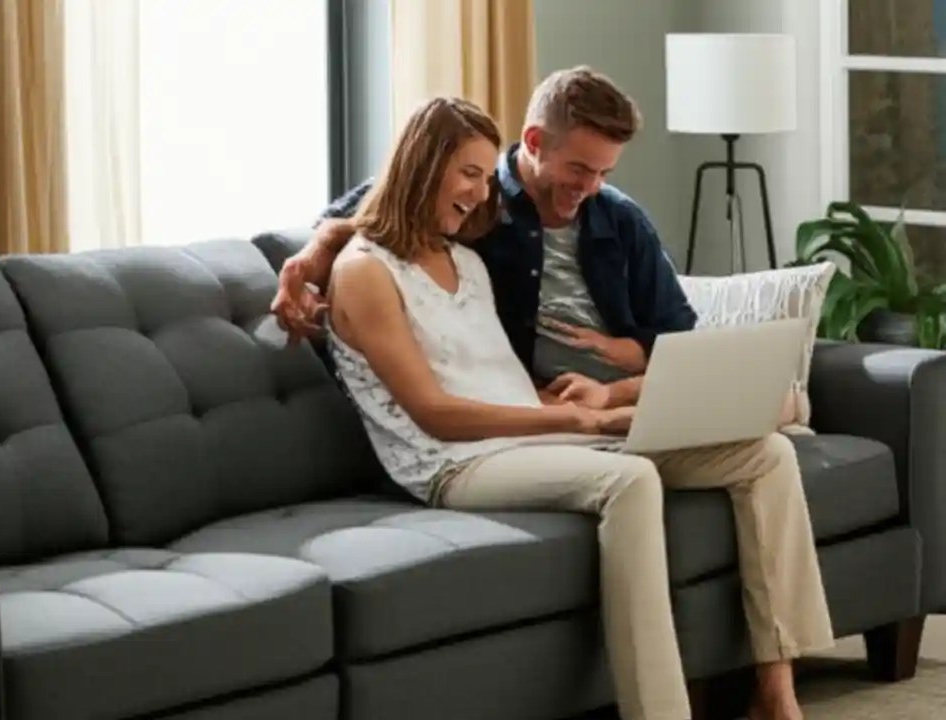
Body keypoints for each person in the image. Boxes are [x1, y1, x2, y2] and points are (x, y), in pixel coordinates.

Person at [320, 94, 832, 720]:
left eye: (486, 177)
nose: (483, 196)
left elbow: (497, 379)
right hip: (453, 462)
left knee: (765, 451)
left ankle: (779, 694)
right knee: (630, 478)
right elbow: (435, 413)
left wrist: (600, 405)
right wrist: (579, 420)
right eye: (470, 175)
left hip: (528, 441)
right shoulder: (365, 272)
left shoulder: (464, 261)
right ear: (424, 166)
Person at [273, 65, 697, 391]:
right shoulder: (469, 196)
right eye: (579, 169)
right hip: (534, 405)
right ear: (534, 142)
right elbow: (376, 210)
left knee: (759, 447)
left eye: (604, 172)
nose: (591, 187)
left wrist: (628, 352)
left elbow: (678, 340)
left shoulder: (621, 219)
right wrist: (312, 255)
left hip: (630, 396)